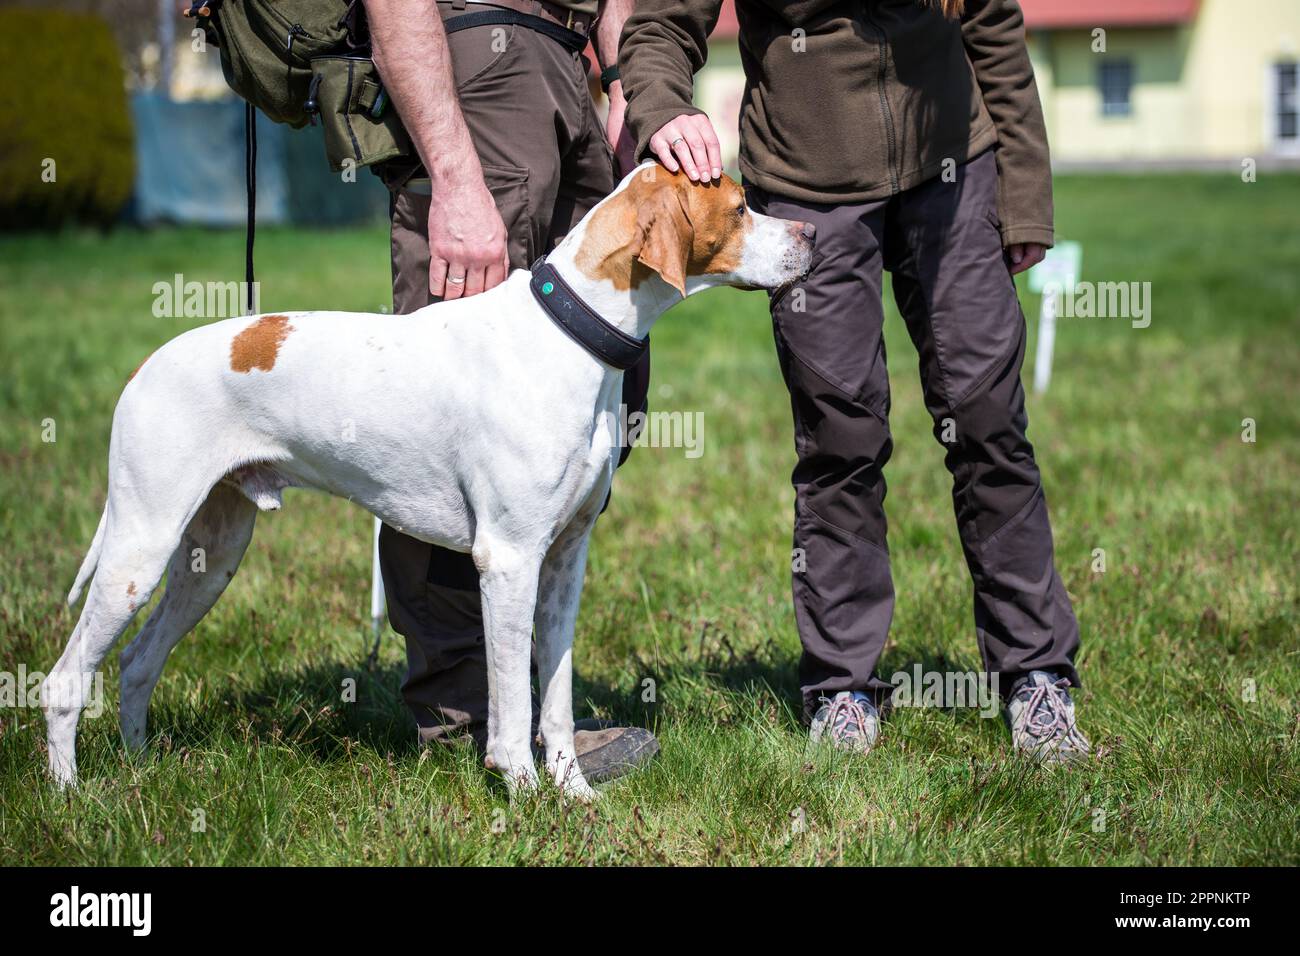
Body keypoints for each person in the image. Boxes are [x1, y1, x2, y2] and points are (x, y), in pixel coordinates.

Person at [618, 0, 1089, 762]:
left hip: (953, 169)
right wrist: (664, 106)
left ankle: (1036, 674)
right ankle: (842, 688)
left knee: (987, 419)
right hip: (809, 183)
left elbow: (994, 23)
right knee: (842, 436)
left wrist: (1024, 192)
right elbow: (659, 25)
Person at [364, 0, 658, 781]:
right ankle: (467, 717)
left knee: (601, 402)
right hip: (478, 73)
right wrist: (455, 177)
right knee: (463, 427)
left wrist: (626, 74)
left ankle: (534, 713)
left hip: (572, 71)